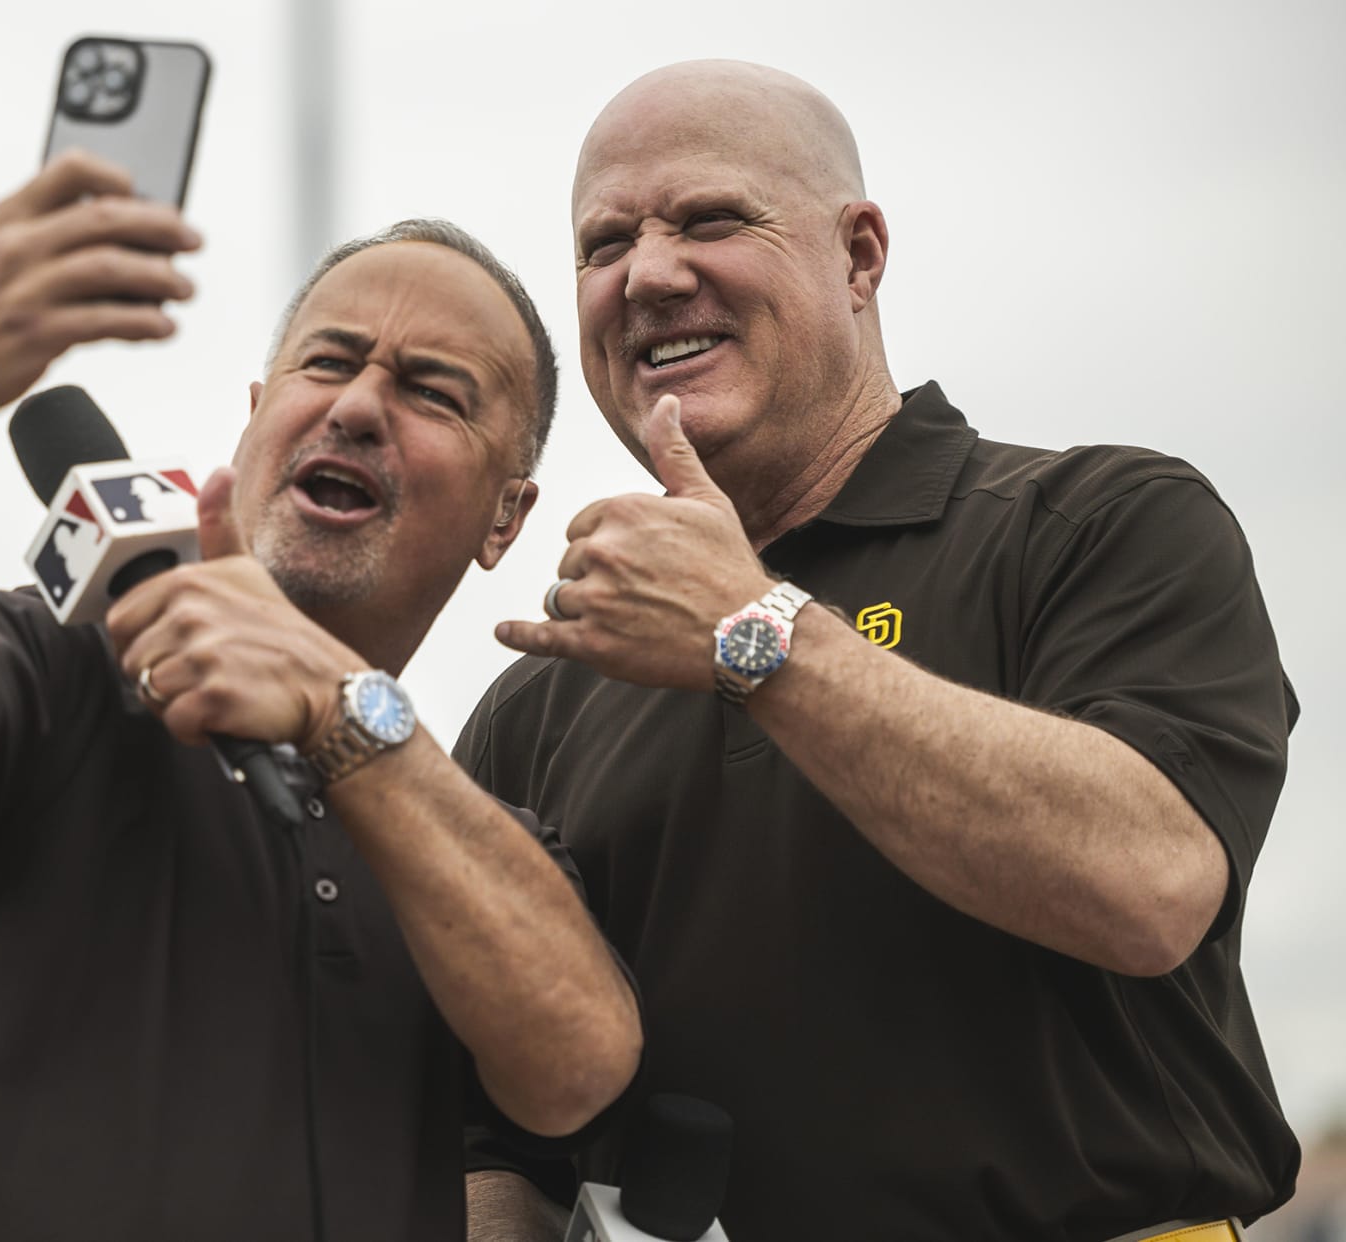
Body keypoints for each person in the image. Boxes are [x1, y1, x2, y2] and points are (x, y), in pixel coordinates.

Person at [457, 61, 1298, 1241]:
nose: (648, 274)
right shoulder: (537, 704)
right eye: (604, 246)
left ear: (858, 257)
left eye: (709, 219)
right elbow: (500, 1138)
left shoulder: (1102, 522)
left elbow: (1150, 885)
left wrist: (756, 631)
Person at [0, 149, 641, 1242]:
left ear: (506, 519)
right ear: (255, 416)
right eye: (326, 364)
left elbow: (579, 1066)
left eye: (433, 392)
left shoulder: (471, 840)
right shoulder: (51, 673)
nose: (362, 405)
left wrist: (339, 709)